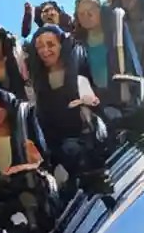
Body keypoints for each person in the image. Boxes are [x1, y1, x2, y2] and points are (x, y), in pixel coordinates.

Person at [0, 88, 61, 233]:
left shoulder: (25, 123)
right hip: (5, 193)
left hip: (32, 184)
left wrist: (22, 168)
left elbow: (41, 159)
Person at [26, 24, 108, 186]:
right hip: (60, 146)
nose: (45, 51)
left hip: (90, 136)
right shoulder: (37, 82)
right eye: (40, 47)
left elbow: (90, 89)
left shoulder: (79, 63)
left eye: (50, 45)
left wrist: (87, 101)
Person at [72, 0, 144, 113]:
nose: (87, 15)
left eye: (91, 9)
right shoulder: (78, 46)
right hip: (101, 103)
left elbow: (134, 59)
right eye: (81, 13)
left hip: (128, 94)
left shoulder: (118, 31)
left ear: (101, 11)